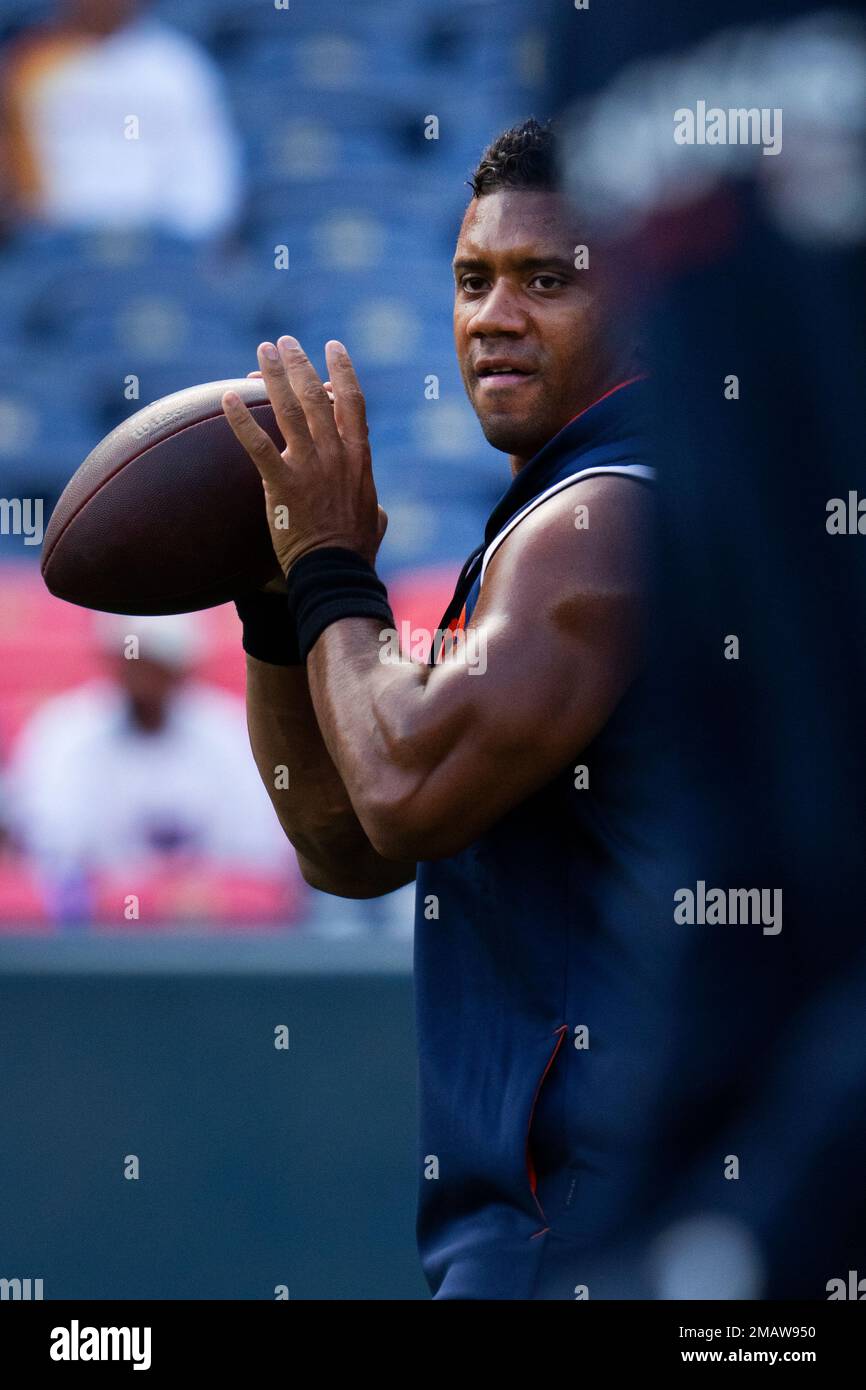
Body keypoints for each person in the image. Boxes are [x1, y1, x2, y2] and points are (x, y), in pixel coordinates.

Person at [226, 119, 657, 1300]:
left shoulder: (602, 524)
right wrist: (280, 610)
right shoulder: (552, 520)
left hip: (587, 1228)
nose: (492, 317)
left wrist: (328, 569)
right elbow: (346, 842)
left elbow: (402, 787)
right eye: (471, 280)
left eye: (546, 280)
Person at [7, 612, 292, 898]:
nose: (143, 674)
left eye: (157, 661)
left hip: (207, 921)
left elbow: (258, 849)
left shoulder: (230, 731)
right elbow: (52, 847)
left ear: (182, 667)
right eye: (134, 658)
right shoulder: (65, 730)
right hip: (99, 921)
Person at [0, 0, 241, 238]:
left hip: (159, 246)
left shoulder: (178, 68)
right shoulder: (25, 62)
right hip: (51, 248)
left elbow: (208, 188)